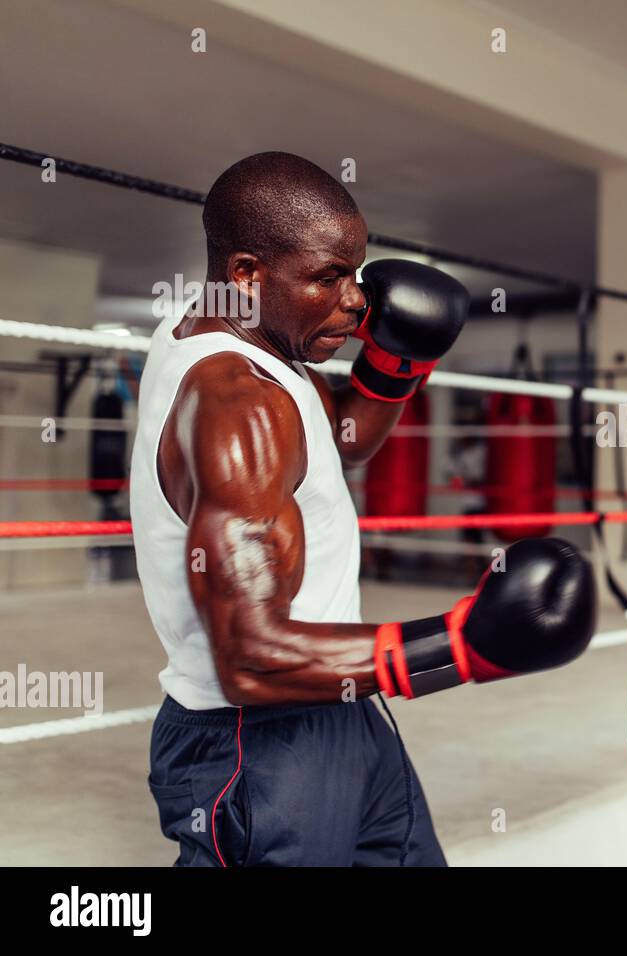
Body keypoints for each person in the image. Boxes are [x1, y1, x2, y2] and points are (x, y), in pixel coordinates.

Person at [129, 152, 594, 866]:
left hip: (340, 705)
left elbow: (336, 441)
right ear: (249, 274)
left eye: (356, 272)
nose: (356, 300)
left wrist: (395, 364)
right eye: (328, 277)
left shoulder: (249, 341)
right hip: (258, 739)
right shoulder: (238, 401)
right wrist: (461, 648)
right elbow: (251, 656)